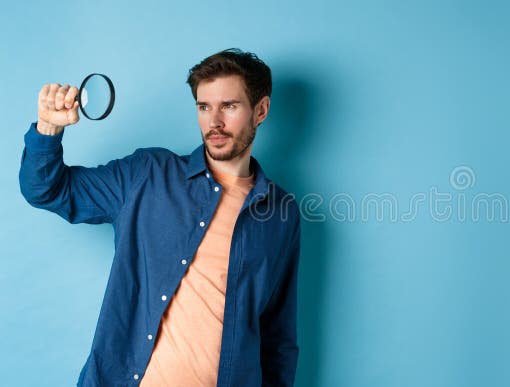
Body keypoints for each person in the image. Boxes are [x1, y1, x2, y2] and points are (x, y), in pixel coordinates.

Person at [19, 48, 301, 386]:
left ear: (261, 110)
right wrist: (48, 127)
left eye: (229, 106)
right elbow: (46, 190)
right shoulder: (147, 174)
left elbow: (278, 336)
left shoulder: (280, 212)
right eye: (204, 107)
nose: (214, 121)